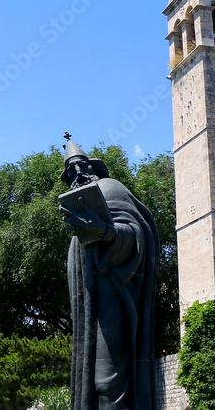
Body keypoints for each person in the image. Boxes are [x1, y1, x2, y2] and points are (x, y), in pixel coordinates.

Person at [59, 140, 159, 410]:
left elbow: (136, 235)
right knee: (93, 385)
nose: (78, 173)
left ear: (95, 168)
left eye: (83, 166)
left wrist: (106, 232)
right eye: (71, 171)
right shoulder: (81, 209)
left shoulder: (111, 188)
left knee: (107, 383)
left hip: (115, 296)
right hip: (92, 304)